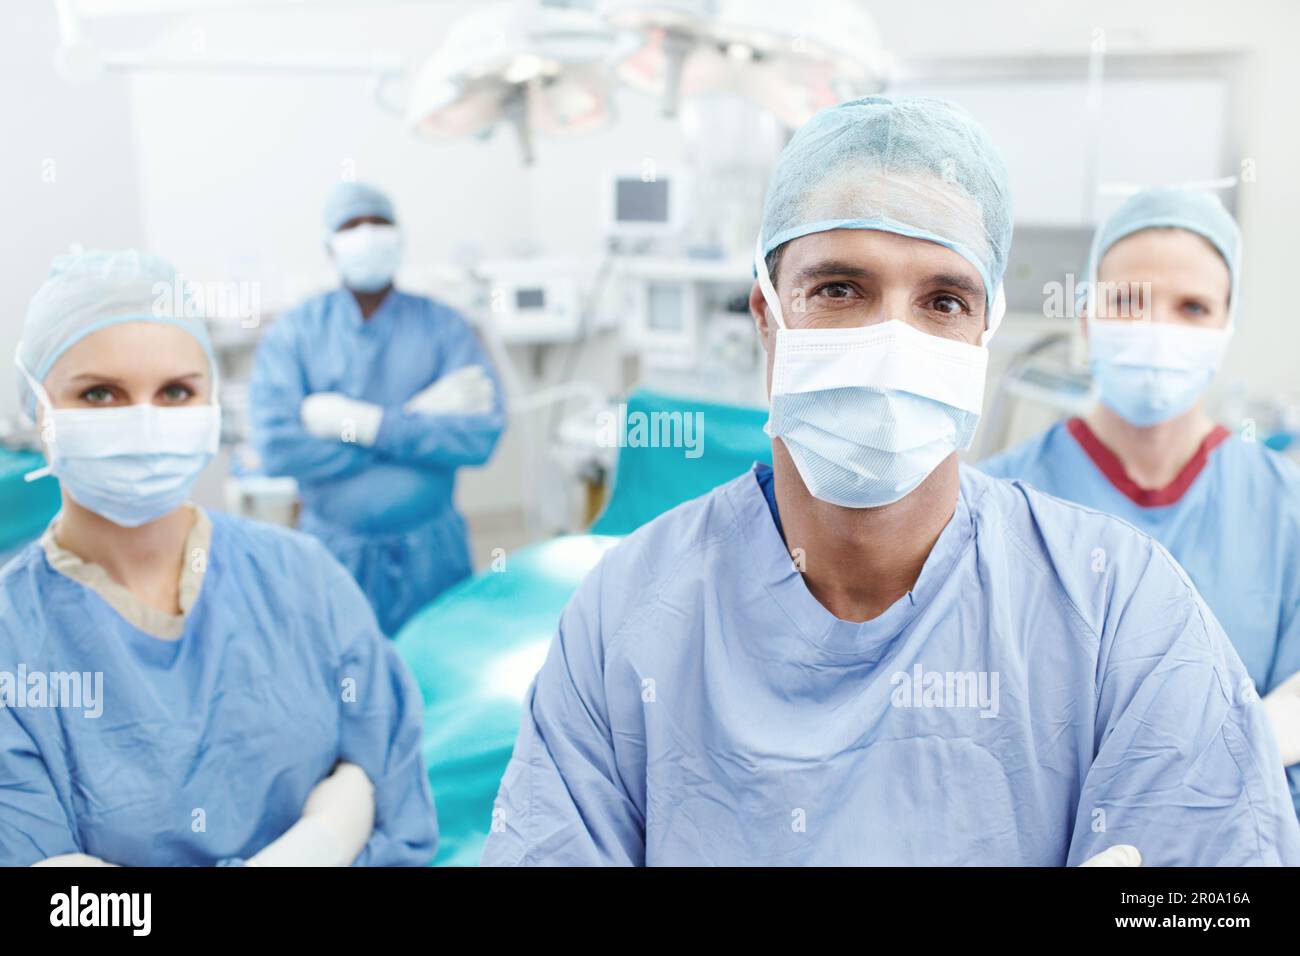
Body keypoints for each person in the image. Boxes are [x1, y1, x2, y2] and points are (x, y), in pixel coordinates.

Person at [480, 97, 1300, 866]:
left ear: (985, 332)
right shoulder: (628, 614)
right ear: (766, 312)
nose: (891, 339)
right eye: (840, 289)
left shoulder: (1122, 606)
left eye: (944, 300)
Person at [0, 251, 437, 866]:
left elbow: (395, 805)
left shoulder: (302, 580)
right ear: (37, 408)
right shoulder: (13, 644)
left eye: (176, 391)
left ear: (212, 405)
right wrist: (323, 839)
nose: (145, 422)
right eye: (100, 394)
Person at [980, 187, 1300, 812]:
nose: (1160, 329)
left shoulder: (1284, 508)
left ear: (1225, 327)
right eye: (1128, 301)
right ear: (1083, 316)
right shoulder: (997, 505)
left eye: (1193, 307)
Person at [249, 181, 505, 636]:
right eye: (352, 225)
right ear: (330, 245)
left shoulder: (444, 327)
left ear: (400, 238)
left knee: (438, 675)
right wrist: (406, 426)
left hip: (434, 555)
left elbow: (480, 436)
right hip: (333, 554)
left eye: (378, 223)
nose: (366, 234)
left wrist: (360, 426)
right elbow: (278, 448)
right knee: (342, 681)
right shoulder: (296, 334)